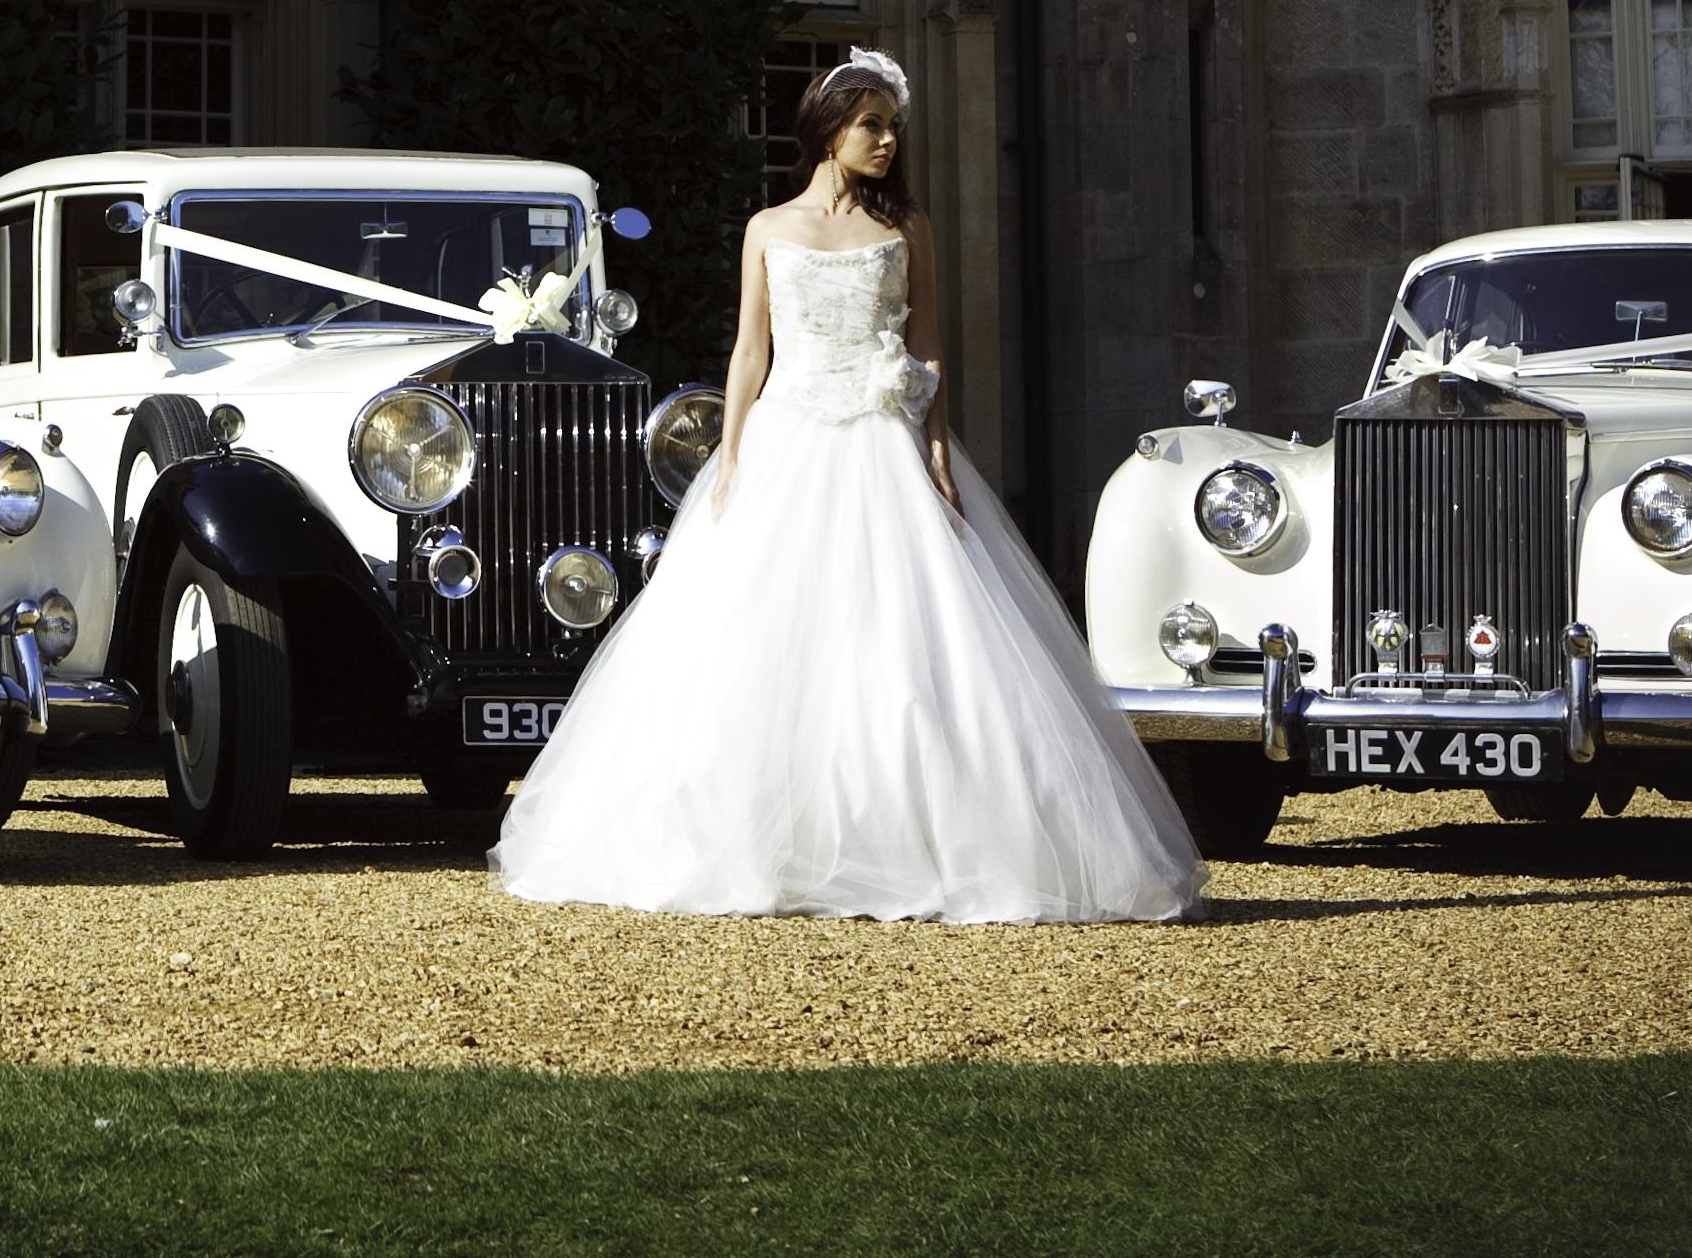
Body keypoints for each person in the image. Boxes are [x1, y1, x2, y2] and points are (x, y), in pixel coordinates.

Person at [489, 49, 1207, 921]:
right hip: (789, 437)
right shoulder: (767, 227)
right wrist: (737, 451)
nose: (888, 141)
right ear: (830, 131)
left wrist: (937, 449)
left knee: (899, 639)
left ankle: (913, 840)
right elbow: (751, 349)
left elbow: (932, 345)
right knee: (753, 639)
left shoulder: (908, 227)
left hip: (882, 441)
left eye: (893, 127)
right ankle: (753, 840)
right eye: (873, 125)